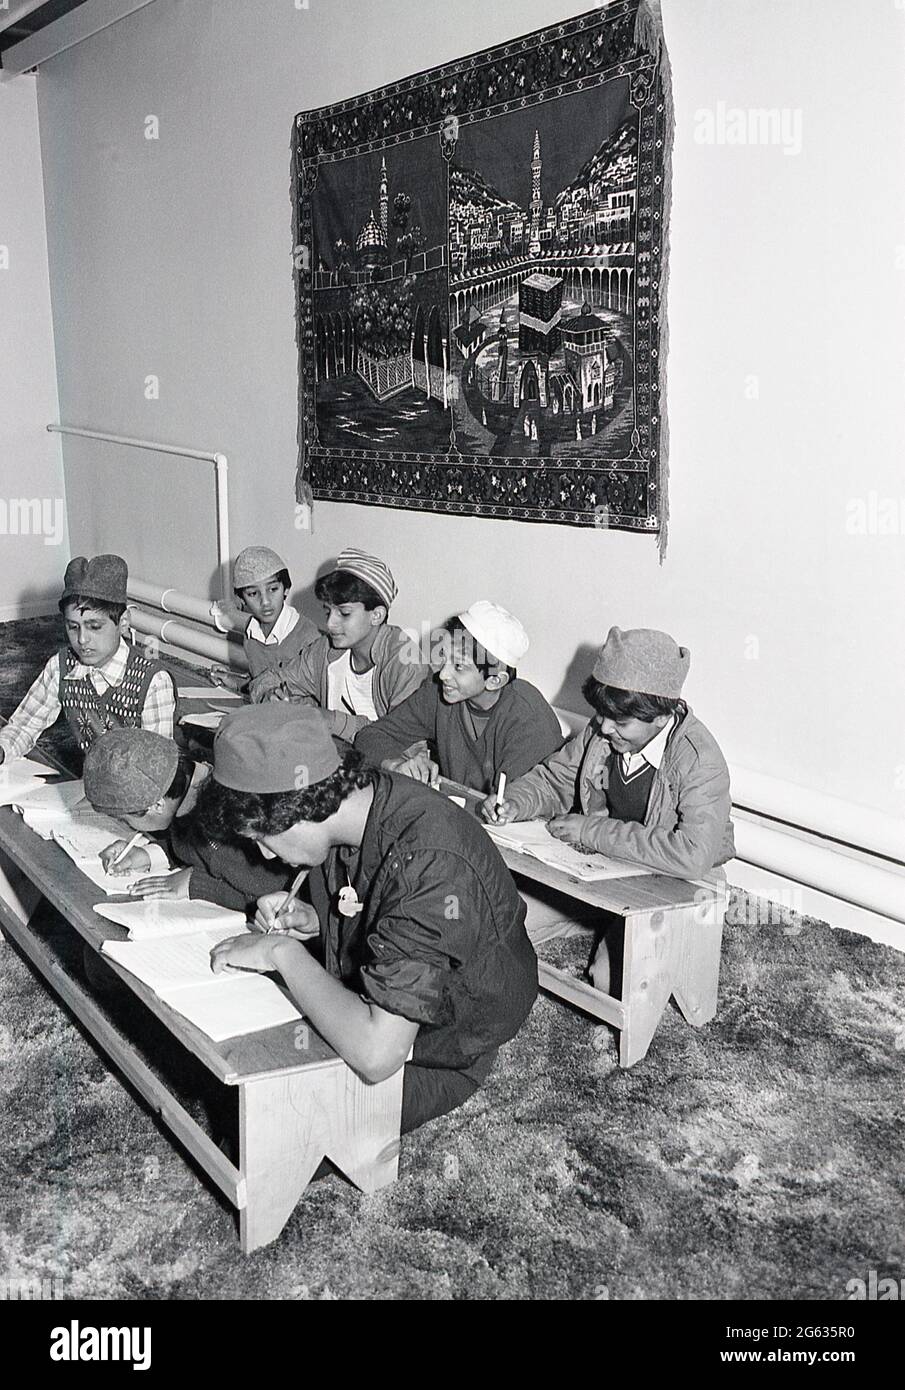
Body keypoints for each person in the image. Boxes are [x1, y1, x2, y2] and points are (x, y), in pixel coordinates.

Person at [195, 704, 538, 1133]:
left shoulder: (431, 867)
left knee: (264, 1127)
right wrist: (316, 922)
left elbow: (377, 1056)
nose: (265, 855)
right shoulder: (358, 801)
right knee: (222, 1072)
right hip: (379, 987)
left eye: (263, 838)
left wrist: (281, 952)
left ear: (297, 808)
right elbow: (376, 905)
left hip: (445, 1042)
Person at [482, 627, 735, 991]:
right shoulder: (605, 728)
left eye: (620, 722)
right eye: (601, 714)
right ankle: (592, 918)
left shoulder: (699, 759)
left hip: (677, 884)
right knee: (498, 926)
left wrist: (591, 830)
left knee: (612, 983)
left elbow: (693, 856)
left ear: (661, 717)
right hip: (604, 871)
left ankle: (600, 924)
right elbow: (555, 779)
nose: (604, 727)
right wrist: (514, 802)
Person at [355, 600, 563, 793]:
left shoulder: (529, 721)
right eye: (444, 658)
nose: (443, 674)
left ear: (494, 681)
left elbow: (512, 807)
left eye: (459, 666)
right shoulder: (439, 694)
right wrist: (396, 764)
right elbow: (371, 736)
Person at [83, 728, 289, 911]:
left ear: (156, 805)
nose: (126, 826)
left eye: (124, 820)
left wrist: (195, 883)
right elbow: (188, 843)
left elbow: (267, 895)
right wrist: (150, 854)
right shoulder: (190, 785)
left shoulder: (226, 822)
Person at [0, 554, 176, 767]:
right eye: (73, 627)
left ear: (123, 622)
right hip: (96, 782)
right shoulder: (61, 667)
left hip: (143, 786)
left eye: (94, 626)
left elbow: (159, 767)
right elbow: (23, 727)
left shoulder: (154, 681)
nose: (82, 639)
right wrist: (2, 751)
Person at [278, 548, 430, 740]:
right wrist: (271, 696)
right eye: (328, 612)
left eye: (344, 613)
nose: (330, 623)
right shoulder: (325, 650)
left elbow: (403, 744)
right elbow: (273, 678)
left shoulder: (406, 665)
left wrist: (331, 720)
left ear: (376, 615)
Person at [228, 545, 318, 703]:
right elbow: (262, 681)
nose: (265, 601)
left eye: (273, 589)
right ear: (242, 599)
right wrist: (237, 682)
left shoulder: (308, 637)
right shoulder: (251, 633)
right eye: (253, 594)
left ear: (286, 588)